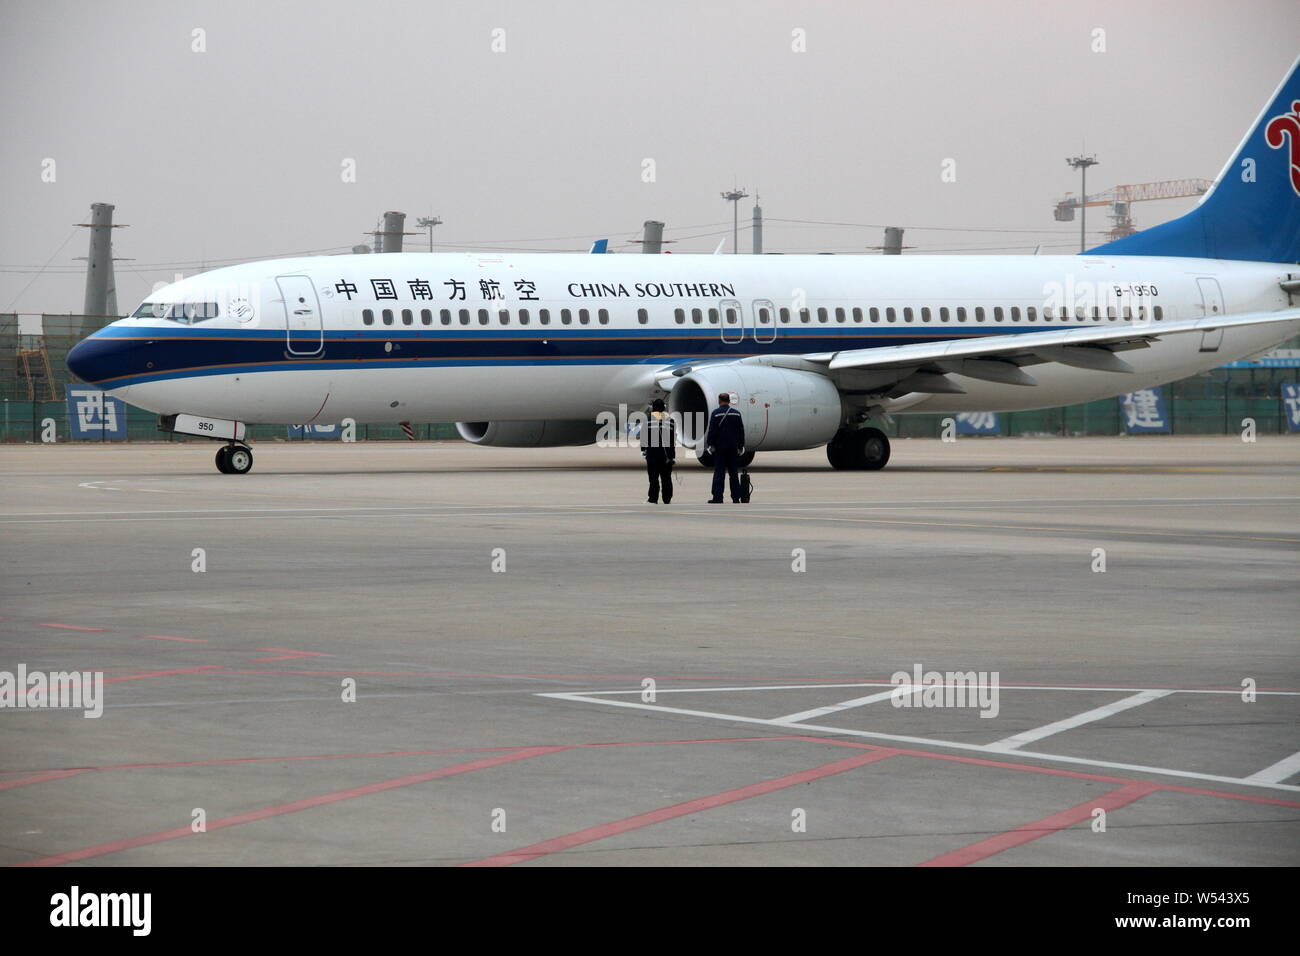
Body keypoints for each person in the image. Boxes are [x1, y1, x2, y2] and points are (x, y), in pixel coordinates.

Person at [705, 392, 746, 503]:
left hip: (720, 448)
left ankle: (718, 497)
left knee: (719, 473)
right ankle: (736, 497)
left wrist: (710, 444)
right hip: (733, 448)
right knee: (733, 473)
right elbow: (741, 431)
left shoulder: (716, 414)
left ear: (719, 401)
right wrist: (741, 446)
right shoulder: (736, 414)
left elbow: (712, 431)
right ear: (728, 401)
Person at [640, 398, 676, 504]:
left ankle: (653, 498)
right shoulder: (670, 420)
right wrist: (672, 455)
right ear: (664, 408)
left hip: (653, 453)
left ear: (653, 408)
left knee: (653, 478)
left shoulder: (648, 419)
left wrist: (643, 449)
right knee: (666, 478)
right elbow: (673, 438)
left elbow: (644, 436)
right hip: (667, 454)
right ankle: (667, 498)